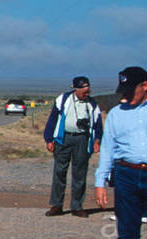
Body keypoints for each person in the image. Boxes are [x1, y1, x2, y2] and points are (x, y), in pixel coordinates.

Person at [94, 66, 147, 239]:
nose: (125, 96)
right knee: (127, 237)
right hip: (126, 175)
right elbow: (107, 149)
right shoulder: (117, 114)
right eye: (123, 91)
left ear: (145, 86)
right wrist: (100, 182)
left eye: (131, 91)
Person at [44, 76, 104, 216]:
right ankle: (56, 205)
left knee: (80, 173)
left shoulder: (92, 104)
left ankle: (77, 206)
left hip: (82, 140)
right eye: (84, 90)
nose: (87, 93)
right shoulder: (63, 100)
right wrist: (48, 139)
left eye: (88, 90)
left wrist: (97, 140)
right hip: (63, 139)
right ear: (76, 89)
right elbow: (52, 120)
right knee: (59, 172)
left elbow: (98, 125)